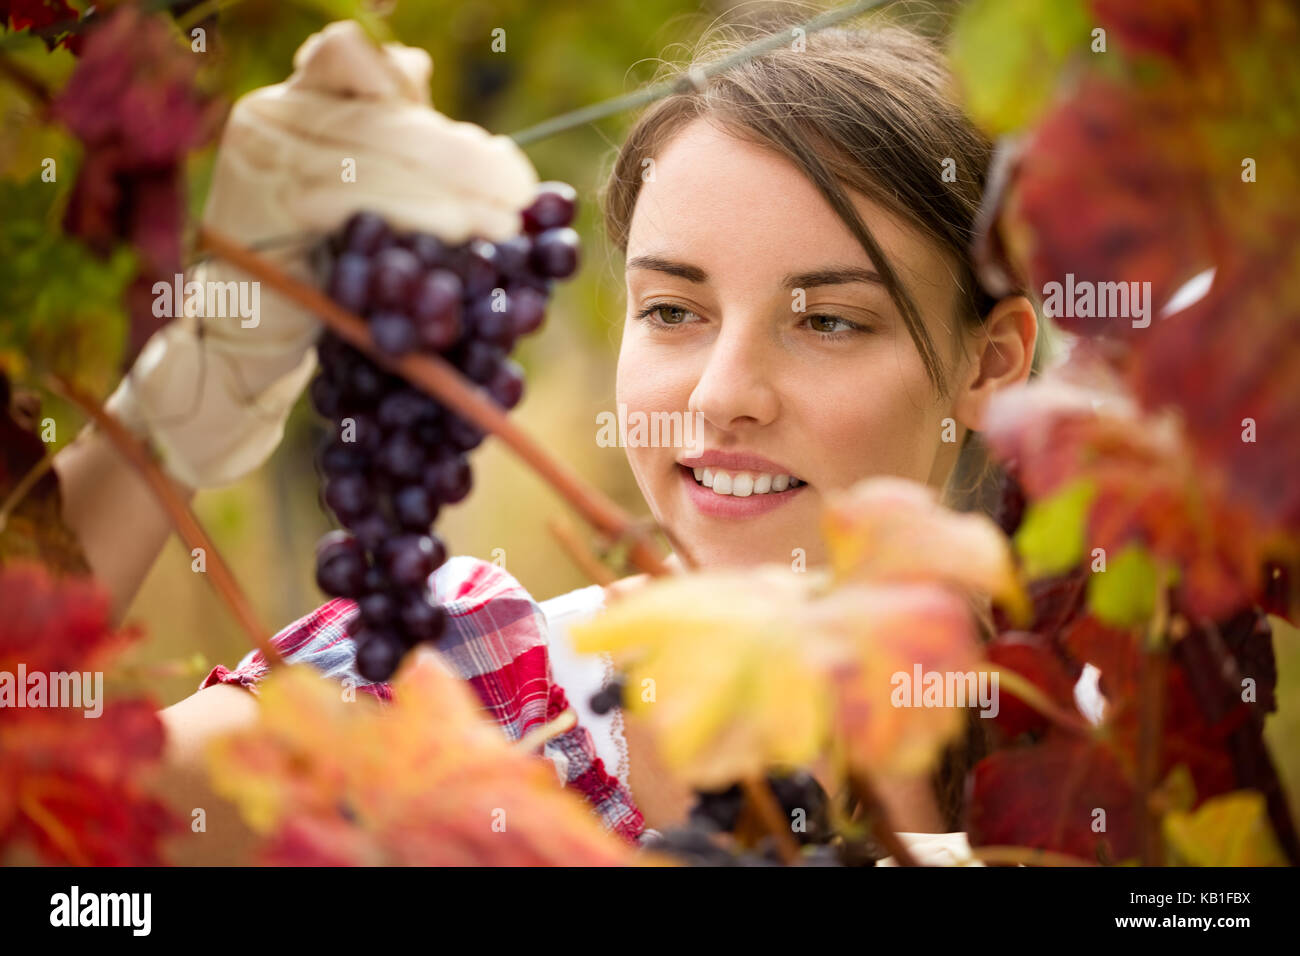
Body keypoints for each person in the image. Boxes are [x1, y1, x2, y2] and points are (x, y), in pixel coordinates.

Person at [52, 18, 1039, 861]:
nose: (719, 394)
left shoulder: (1117, 722)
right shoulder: (454, 676)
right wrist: (180, 410)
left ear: (989, 363)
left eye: (828, 321)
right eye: (672, 309)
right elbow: (33, 825)